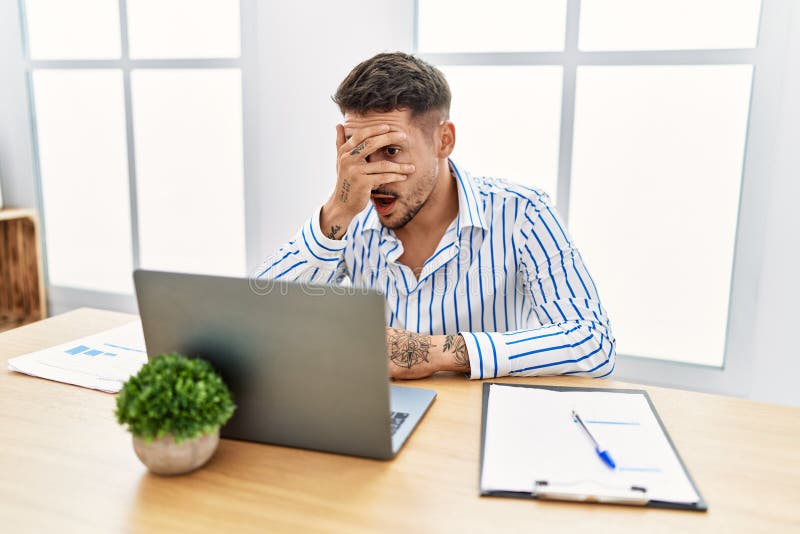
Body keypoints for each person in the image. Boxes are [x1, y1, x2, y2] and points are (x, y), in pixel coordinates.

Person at [256, 52, 615, 381]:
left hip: (477, 429)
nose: (374, 174)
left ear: (443, 140)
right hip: (382, 423)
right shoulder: (348, 221)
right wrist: (338, 208)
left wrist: (438, 352)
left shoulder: (523, 213)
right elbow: (258, 319)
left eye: (391, 151)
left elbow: (593, 341)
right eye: (358, 152)